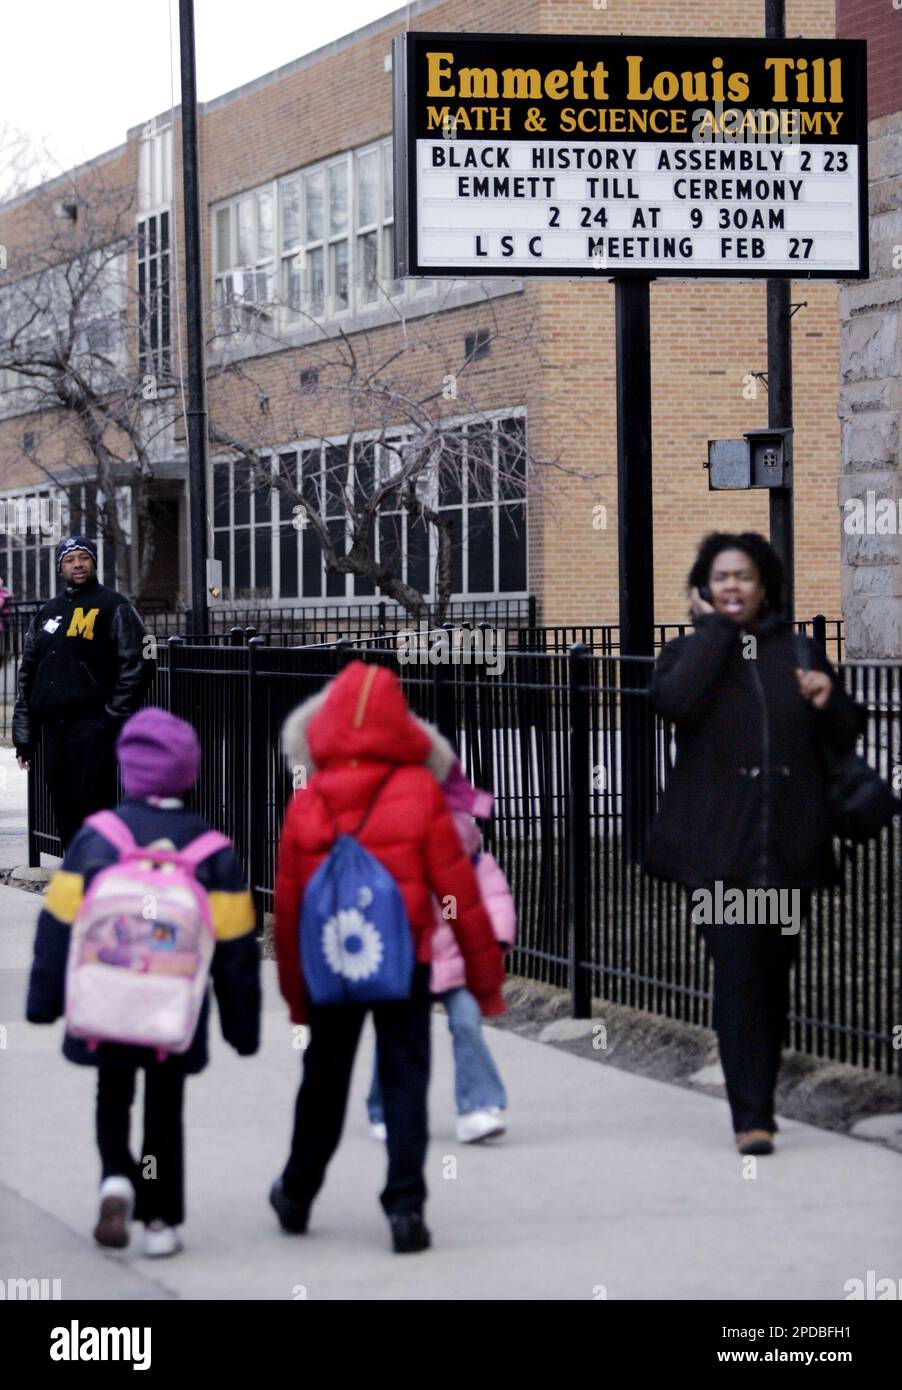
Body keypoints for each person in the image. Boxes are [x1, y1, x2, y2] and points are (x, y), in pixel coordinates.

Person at [271, 661, 505, 1254]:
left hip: (331, 964)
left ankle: (297, 1191)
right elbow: (455, 893)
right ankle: (405, 1208)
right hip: (407, 962)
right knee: (405, 1085)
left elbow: (293, 911)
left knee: (322, 1086)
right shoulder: (420, 792)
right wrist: (482, 978)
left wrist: (298, 996)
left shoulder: (308, 800)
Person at [645, 533, 863, 1157]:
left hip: (784, 851)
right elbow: (674, 703)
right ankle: (752, 1117)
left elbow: (844, 736)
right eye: (721, 578)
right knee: (739, 972)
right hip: (720, 857)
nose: (733, 586)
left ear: (764, 584)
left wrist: (827, 701)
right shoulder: (689, 653)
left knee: (772, 975)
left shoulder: (795, 650)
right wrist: (713, 633)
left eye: (744, 576)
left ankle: (758, 1096)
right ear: (705, 589)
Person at [25, 707, 261, 1256]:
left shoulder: (96, 839)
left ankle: (114, 1178)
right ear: (189, 773)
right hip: (171, 1012)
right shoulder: (210, 850)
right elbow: (234, 953)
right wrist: (242, 1028)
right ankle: (159, 1222)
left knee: (113, 1094)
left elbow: (58, 925)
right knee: (162, 1107)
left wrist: (43, 1001)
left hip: (106, 1004)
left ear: (127, 770)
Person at [366, 758, 515, 1144]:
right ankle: (384, 1107)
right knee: (397, 1034)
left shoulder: (475, 862)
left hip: (457, 961)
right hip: (408, 961)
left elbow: (495, 901)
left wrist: (495, 939)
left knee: (465, 1022)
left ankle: (477, 1106)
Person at [13, 536, 152, 848]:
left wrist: (112, 716)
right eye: (69, 559)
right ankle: (75, 877)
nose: (77, 564)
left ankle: (99, 876)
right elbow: (28, 674)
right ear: (61, 567)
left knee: (95, 808)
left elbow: (143, 659)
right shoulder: (49, 611)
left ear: (94, 562)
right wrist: (24, 736)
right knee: (64, 808)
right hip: (54, 731)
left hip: (94, 727)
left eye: (83, 557)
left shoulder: (115, 606)